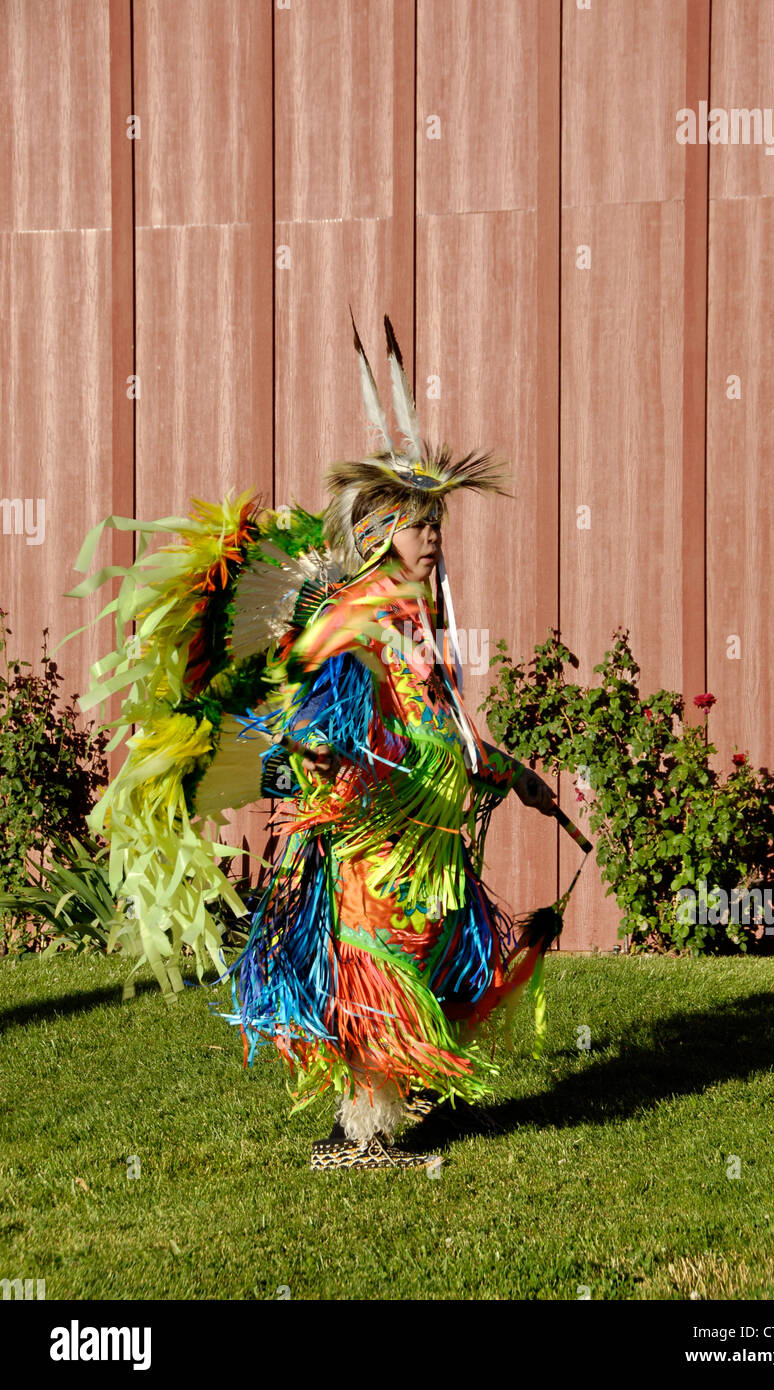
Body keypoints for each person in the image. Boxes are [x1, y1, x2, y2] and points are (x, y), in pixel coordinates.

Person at [218, 314, 558, 1170]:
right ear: (377, 534)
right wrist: (314, 744)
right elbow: (293, 684)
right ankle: (360, 1138)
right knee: (378, 967)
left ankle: (396, 1104)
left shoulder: (417, 610)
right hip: (374, 829)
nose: (432, 535)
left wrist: (511, 774)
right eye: (417, 522)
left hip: (427, 831)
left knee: (440, 951)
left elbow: (437, 714)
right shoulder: (356, 608)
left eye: (437, 520)